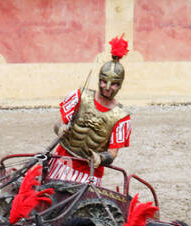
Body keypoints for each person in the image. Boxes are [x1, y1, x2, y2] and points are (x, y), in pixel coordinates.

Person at [47, 36, 132, 185]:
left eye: (113, 84)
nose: (107, 87)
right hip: (62, 161)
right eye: (104, 81)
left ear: (120, 85)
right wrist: (60, 129)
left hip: (89, 172)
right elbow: (58, 123)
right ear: (99, 79)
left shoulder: (121, 117)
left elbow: (112, 153)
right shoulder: (80, 97)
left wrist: (100, 158)